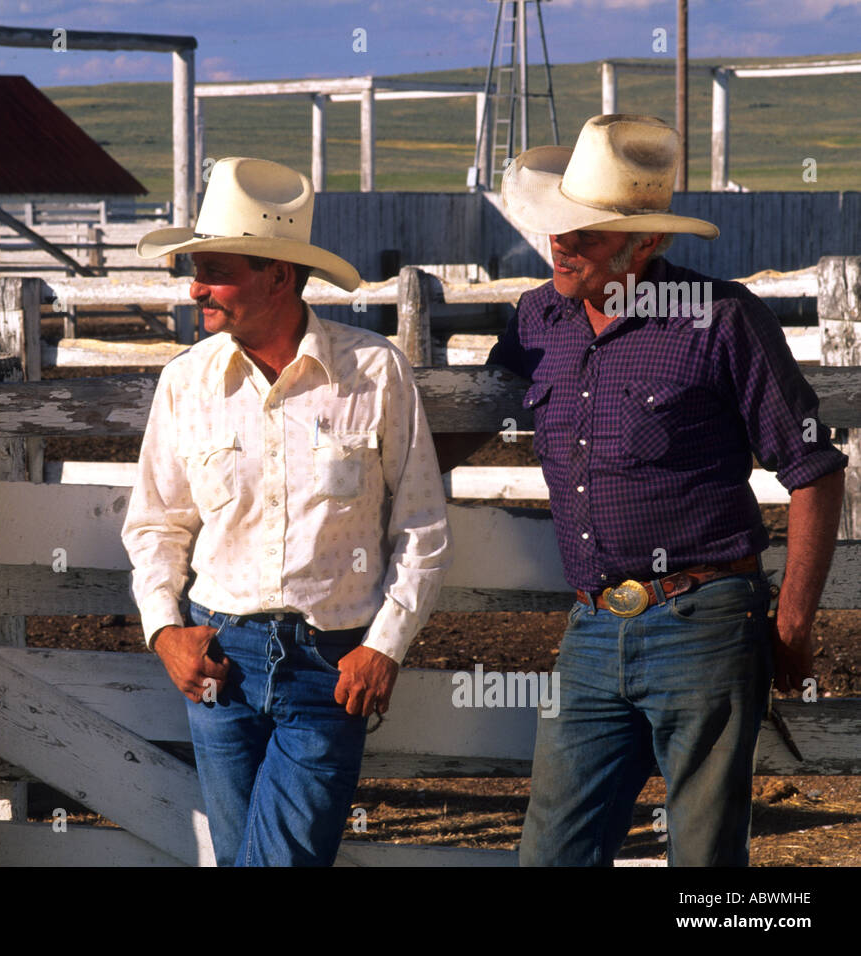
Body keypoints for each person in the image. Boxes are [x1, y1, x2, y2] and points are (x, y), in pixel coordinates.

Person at [444, 114, 846, 865]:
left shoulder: (722, 319)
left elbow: (814, 467)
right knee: (553, 851)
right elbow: (470, 417)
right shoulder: (539, 317)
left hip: (705, 618)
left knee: (702, 853)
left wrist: (793, 621)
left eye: (586, 234)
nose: (561, 244)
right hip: (593, 625)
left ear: (648, 242)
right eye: (559, 226)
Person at [122, 157, 452, 866]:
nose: (195, 288)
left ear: (279, 276)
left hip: (330, 663)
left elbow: (421, 525)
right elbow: (156, 525)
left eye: (216, 270)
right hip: (218, 660)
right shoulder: (187, 382)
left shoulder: (372, 371)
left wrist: (383, 646)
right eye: (195, 269)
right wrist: (165, 633)